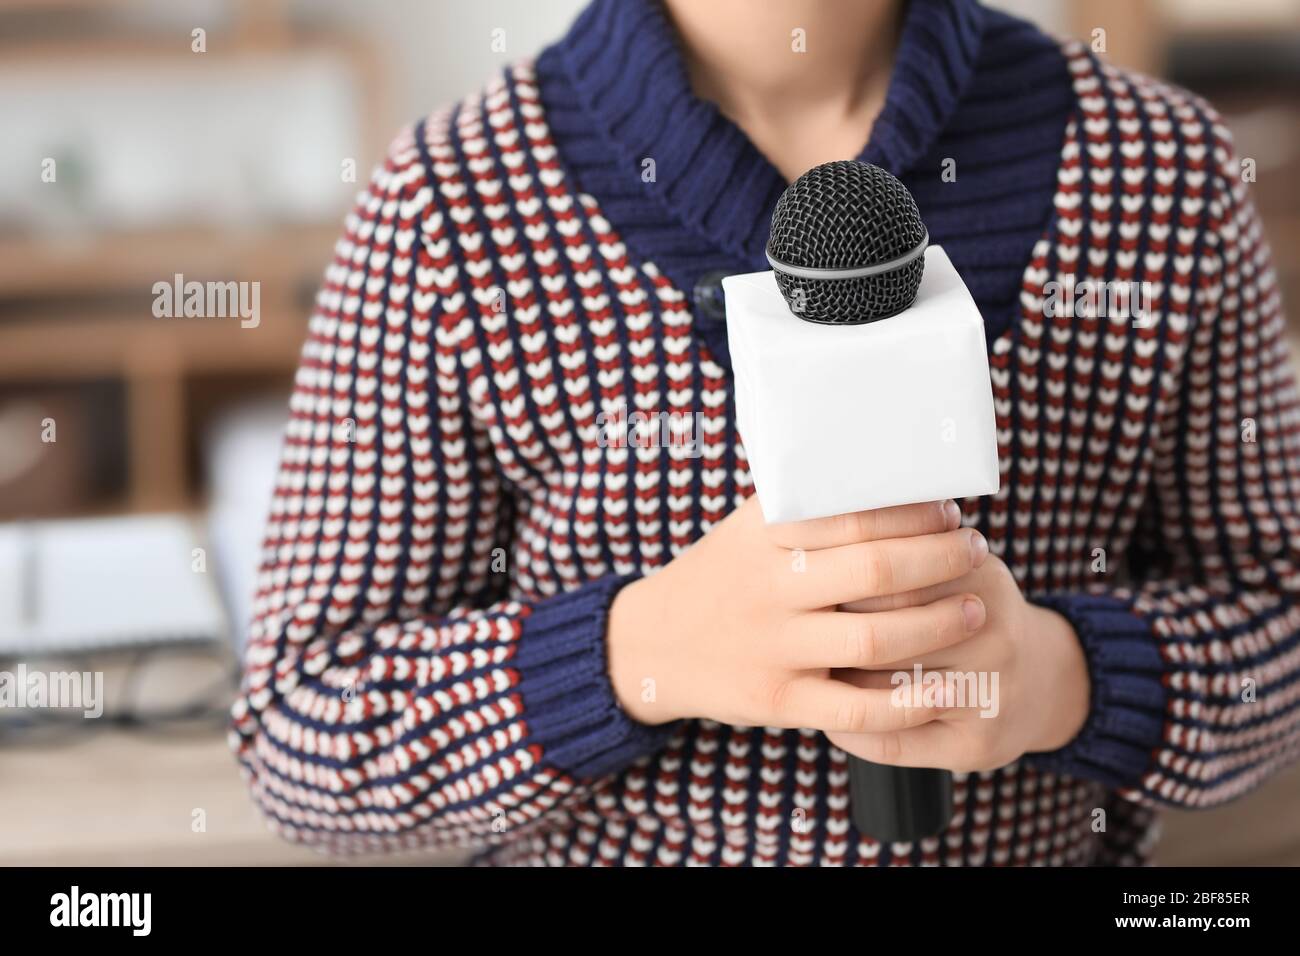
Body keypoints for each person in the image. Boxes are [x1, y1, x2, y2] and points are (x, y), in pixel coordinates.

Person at [230, 0, 1300, 865]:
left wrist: (1066, 678)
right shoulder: (447, 203)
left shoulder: (1165, 169)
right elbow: (300, 725)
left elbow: (1277, 621)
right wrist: (635, 655)